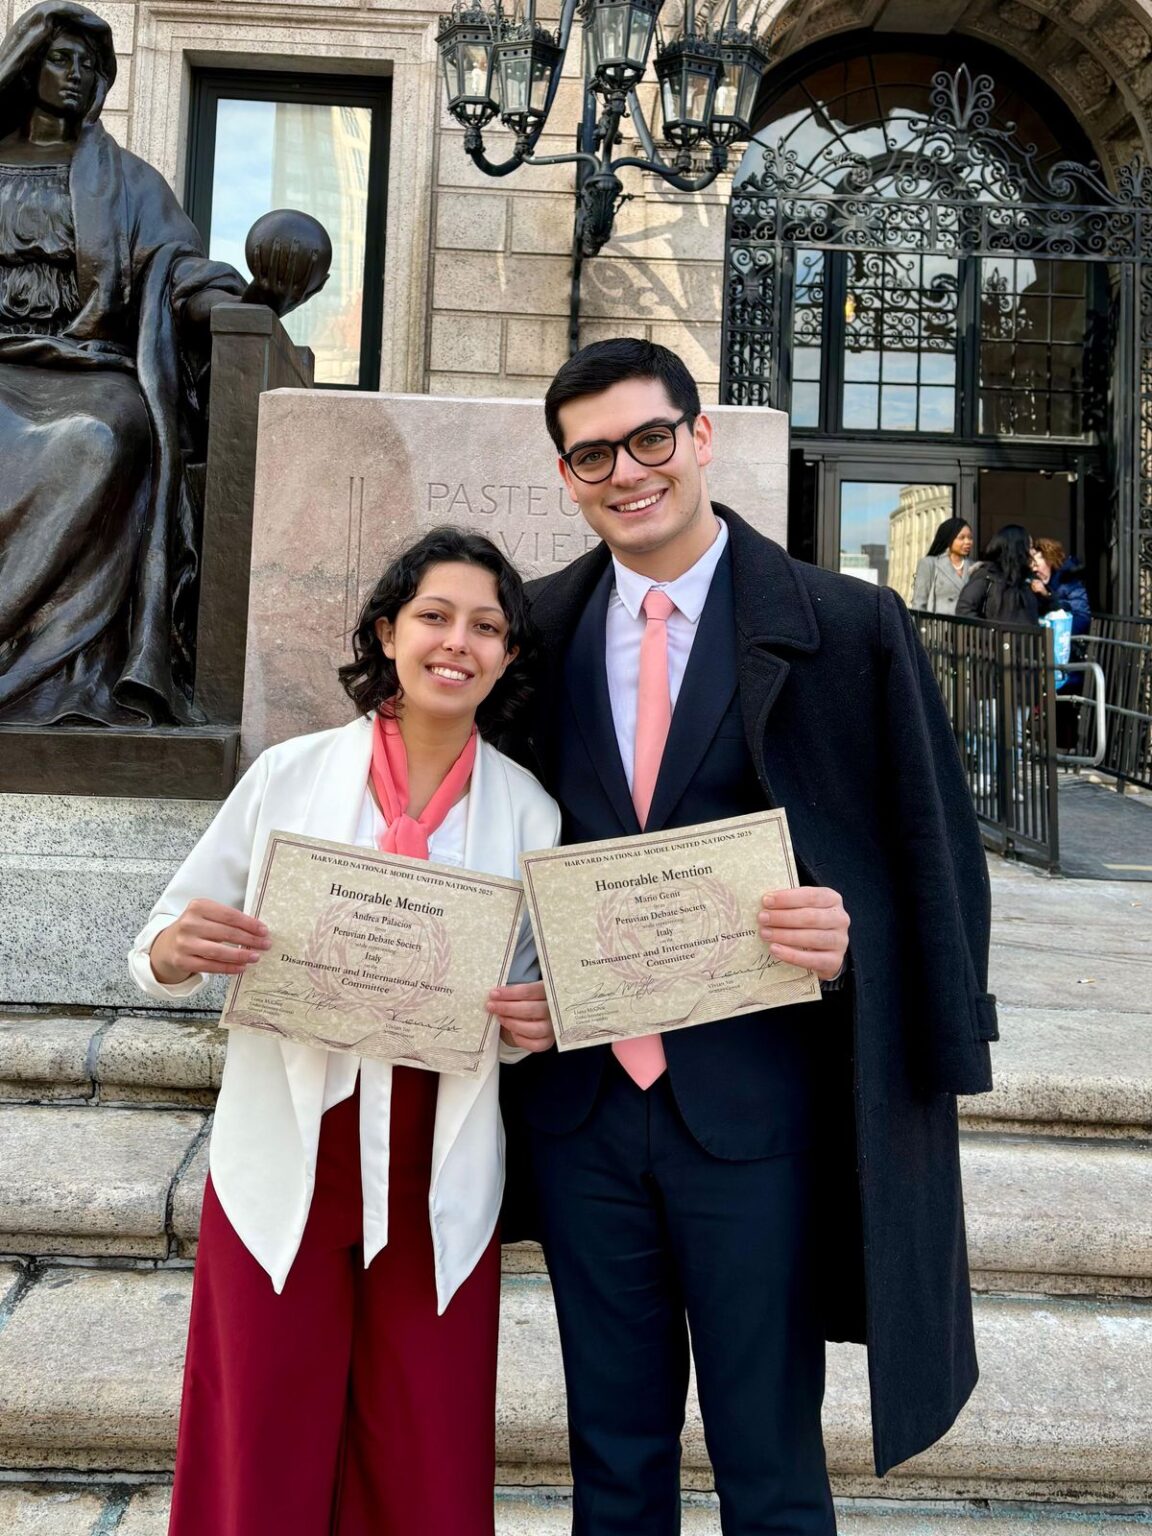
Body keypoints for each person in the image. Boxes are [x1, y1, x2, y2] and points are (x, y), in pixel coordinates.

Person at [497, 339, 998, 1535]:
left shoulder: (847, 624)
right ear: (567, 474)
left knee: (771, 1465)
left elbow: (932, 855)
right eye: (594, 454)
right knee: (611, 1465)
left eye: (651, 437)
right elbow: (485, 844)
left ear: (700, 436)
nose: (629, 471)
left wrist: (855, 937)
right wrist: (503, 980)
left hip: (759, 1118)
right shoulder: (537, 634)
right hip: (585, 1118)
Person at [128, 528, 560, 1536]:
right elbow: (157, 938)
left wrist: (533, 1024)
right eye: (435, 616)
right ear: (387, 630)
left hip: (432, 1160)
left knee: (427, 1435)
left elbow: (531, 999)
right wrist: (179, 950)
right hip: (289, 1147)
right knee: (263, 1432)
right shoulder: (291, 775)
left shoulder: (529, 810)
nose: (459, 642)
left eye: (487, 626)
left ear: (507, 656)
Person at [0, 3, 315, 725]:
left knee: (105, 434)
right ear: (27, 65)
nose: (76, 75)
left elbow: (179, 275)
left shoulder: (126, 180)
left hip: (84, 368)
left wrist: (254, 301)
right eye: (60, 58)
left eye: (90, 65)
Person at [1031, 537, 1092, 749]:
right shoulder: (1029, 581)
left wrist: (1050, 598)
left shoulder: (1069, 582)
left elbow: (1082, 616)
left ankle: (1064, 751)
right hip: (1035, 654)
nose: (1034, 567)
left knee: (1064, 707)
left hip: (1064, 653)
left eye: (1037, 562)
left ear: (1049, 560)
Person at [956, 525, 1040, 625]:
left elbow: (1049, 610)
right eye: (1029, 547)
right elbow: (964, 610)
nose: (1033, 552)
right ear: (1016, 549)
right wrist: (991, 635)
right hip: (996, 639)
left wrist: (1046, 594)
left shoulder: (1027, 579)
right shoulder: (987, 576)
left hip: (1026, 639)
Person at [910, 517, 975, 613]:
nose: (967, 542)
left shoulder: (974, 567)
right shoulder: (930, 564)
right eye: (961, 538)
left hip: (966, 626)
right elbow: (919, 604)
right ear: (949, 539)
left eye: (970, 538)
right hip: (939, 626)